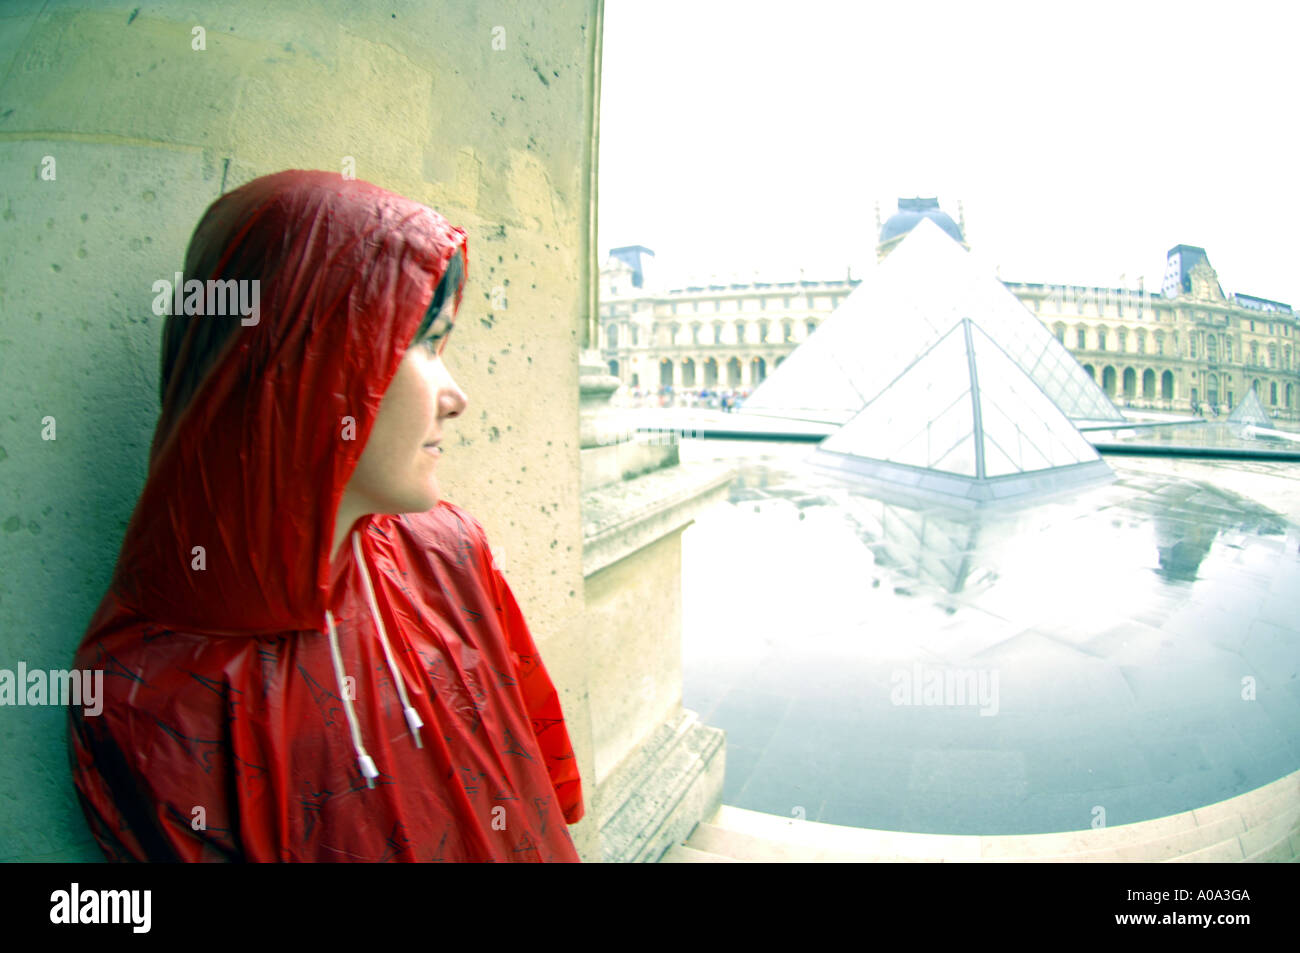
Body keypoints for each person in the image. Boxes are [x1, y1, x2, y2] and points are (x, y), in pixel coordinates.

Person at [67, 170, 584, 862]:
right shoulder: (147, 689)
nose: (456, 395)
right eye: (424, 342)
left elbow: (541, 776)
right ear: (307, 361)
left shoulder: (448, 548)